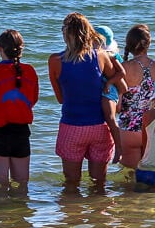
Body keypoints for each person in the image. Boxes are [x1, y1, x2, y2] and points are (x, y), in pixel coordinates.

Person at [48, 12, 125, 187]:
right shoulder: (101, 56)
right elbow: (118, 81)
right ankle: (99, 213)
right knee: (99, 184)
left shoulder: (54, 60)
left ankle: (73, 214)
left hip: (72, 127)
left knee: (71, 184)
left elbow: (61, 99)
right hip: (100, 127)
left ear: (66, 34)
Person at [0, 30, 39, 192]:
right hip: (21, 132)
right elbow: (32, 101)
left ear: (0, 48)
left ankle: (1, 215)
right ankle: (21, 216)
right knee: (22, 184)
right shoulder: (30, 71)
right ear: (21, 49)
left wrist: (0, 109)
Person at [118, 24, 155, 168]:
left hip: (129, 130)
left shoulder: (124, 68)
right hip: (153, 129)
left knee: (130, 178)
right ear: (148, 44)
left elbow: (119, 106)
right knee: (150, 173)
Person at [95, 25, 126, 163]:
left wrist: (108, 83)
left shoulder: (111, 55)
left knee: (110, 116)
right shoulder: (97, 54)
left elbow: (122, 73)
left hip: (110, 89)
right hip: (103, 88)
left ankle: (119, 149)